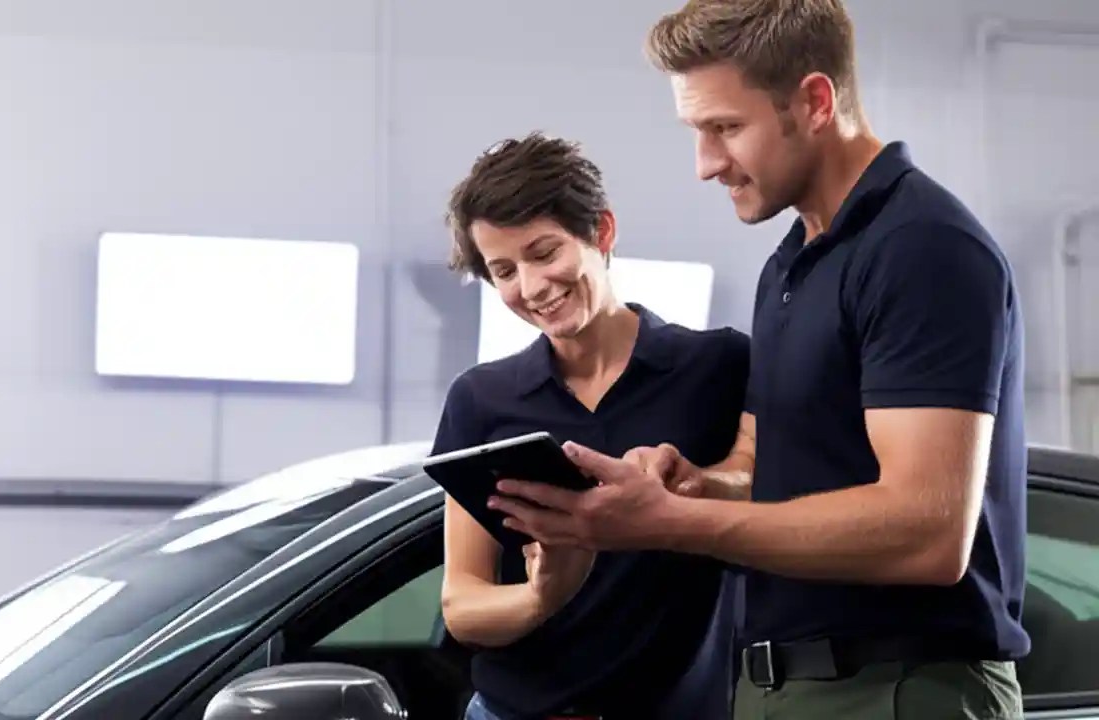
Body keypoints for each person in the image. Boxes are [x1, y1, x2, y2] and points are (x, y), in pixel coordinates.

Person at [486, 2, 1029, 719]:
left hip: (898, 691)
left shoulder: (922, 248)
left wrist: (665, 525)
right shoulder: (793, 263)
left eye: (725, 129)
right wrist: (694, 487)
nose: (706, 165)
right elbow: (767, 466)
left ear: (813, 101)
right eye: (697, 132)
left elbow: (927, 531)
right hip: (781, 688)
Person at [432, 131, 752, 720]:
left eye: (544, 252)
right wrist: (541, 596)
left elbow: (773, 506)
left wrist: (692, 490)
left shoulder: (719, 368)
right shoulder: (481, 399)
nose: (530, 288)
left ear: (601, 232)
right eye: (503, 270)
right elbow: (463, 603)